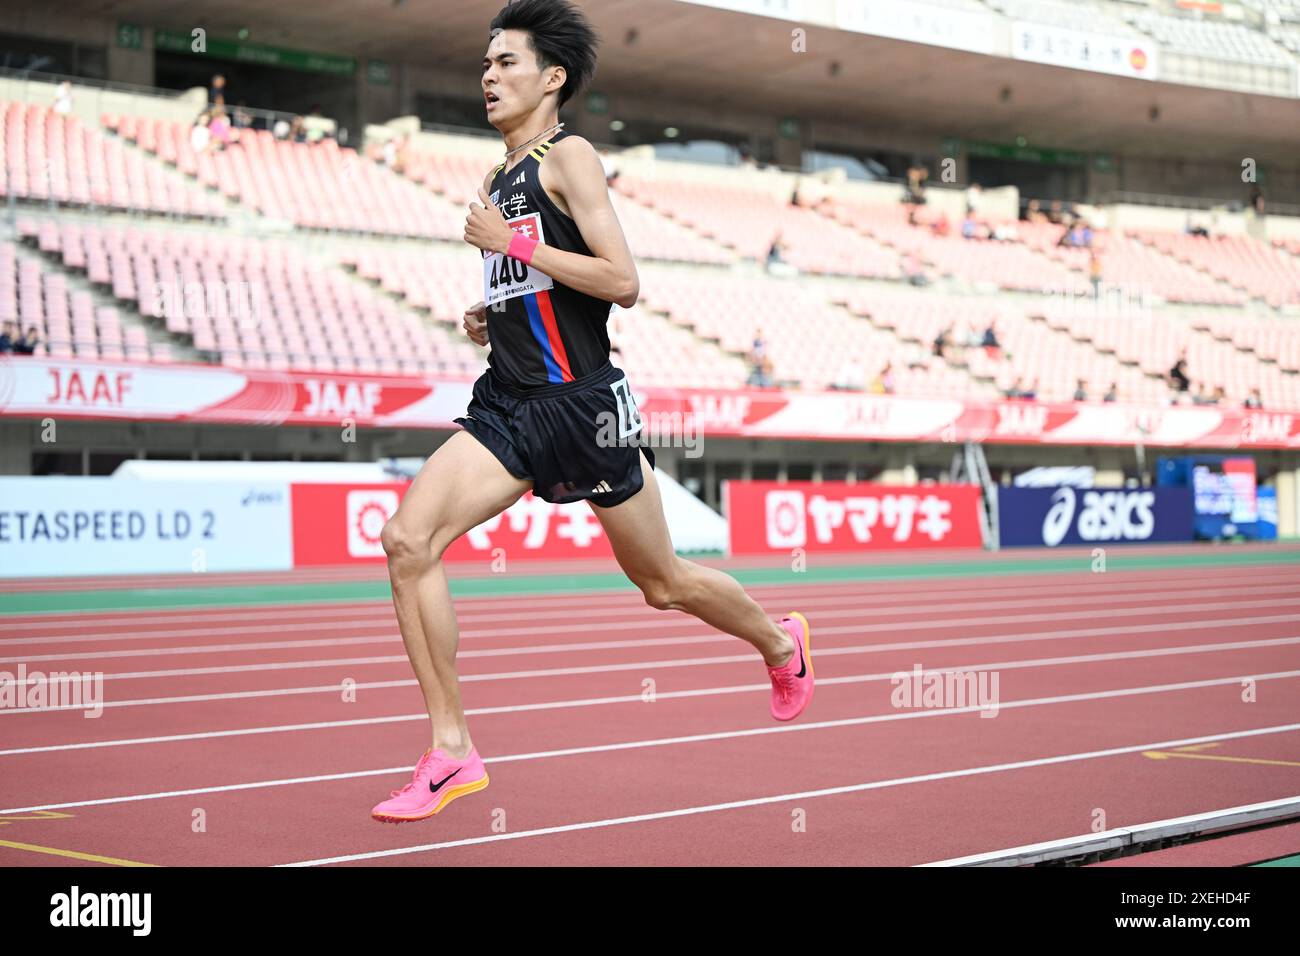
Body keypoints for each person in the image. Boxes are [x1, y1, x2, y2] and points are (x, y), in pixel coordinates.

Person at [369, 0, 813, 825]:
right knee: (407, 540)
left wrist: (516, 249)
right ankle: (451, 750)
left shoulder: (568, 157)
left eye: (506, 62)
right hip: (507, 403)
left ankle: (781, 644)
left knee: (662, 583)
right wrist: (494, 309)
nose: (488, 75)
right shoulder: (494, 179)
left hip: (583, 407)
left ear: (552, 77)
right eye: (486, 62)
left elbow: (622, 282)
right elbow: (537, 287)